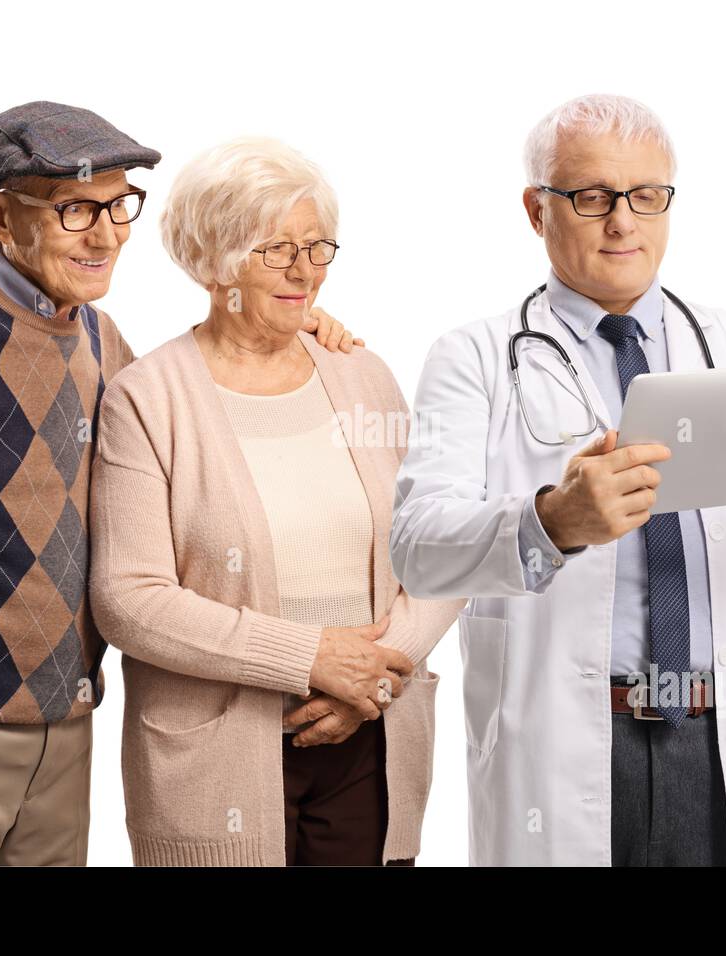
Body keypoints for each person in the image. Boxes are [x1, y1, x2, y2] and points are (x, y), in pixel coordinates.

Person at [0, 102, 358, 866]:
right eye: (77, 207)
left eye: (120, 205)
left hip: (66, 733)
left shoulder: (99, 336)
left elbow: (189, 429)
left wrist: (289, 325)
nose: (108, 232)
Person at [389, 93, 726, 866]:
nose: (624, 222)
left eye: (647, 197)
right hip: (566, 738)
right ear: (536, 210)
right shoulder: (473, 356)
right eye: (592, 197)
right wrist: (551, 522)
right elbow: (416, 547)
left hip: (715, 741)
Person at [88, 137, 464, 866]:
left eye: (318, 247)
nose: (304, 271)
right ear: (213, 259)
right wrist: (311, 658)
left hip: (370, 734)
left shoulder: (362, 376)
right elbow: (128, 599)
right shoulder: (148, 397)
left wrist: (381, 669)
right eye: (276, 249)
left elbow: (440, 548)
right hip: (219, 755)